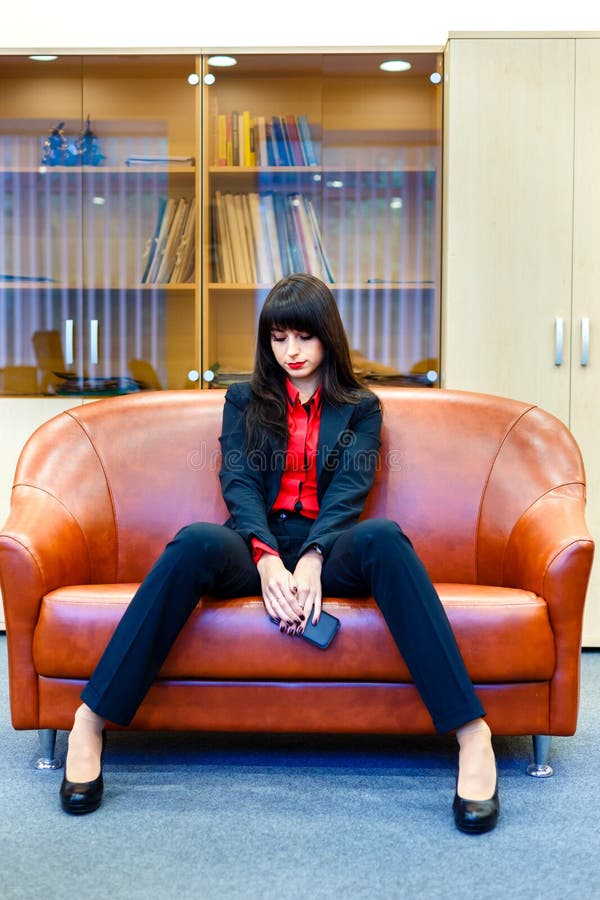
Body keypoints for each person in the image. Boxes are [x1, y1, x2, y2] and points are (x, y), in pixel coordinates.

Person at [60, 273, 499, 833]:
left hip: (330, 545)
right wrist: (267, 558)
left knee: (385, 538)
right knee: (195, 540)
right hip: (255, 542)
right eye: (278, 337)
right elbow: (239, 480)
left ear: (328, 338)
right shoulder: (244, 398)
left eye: (304, 338)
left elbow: (349, 494)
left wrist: (313, 557)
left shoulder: (362, 407)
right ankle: (90, 720)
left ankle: (472, 733)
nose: (291, 351)